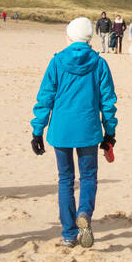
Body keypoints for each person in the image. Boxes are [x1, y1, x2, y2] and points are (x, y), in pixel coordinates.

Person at [30, 17, 118, 248]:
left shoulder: (57, 62)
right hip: (88, 129)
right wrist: (110, 133)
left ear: (69, 37)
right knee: (88, 177)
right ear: (89, 38)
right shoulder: (99, 64)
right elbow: (108, 102)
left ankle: (69, 233)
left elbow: (45, 97)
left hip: (61, 130)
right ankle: (85, 213)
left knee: (65, 180)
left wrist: (37, 130)